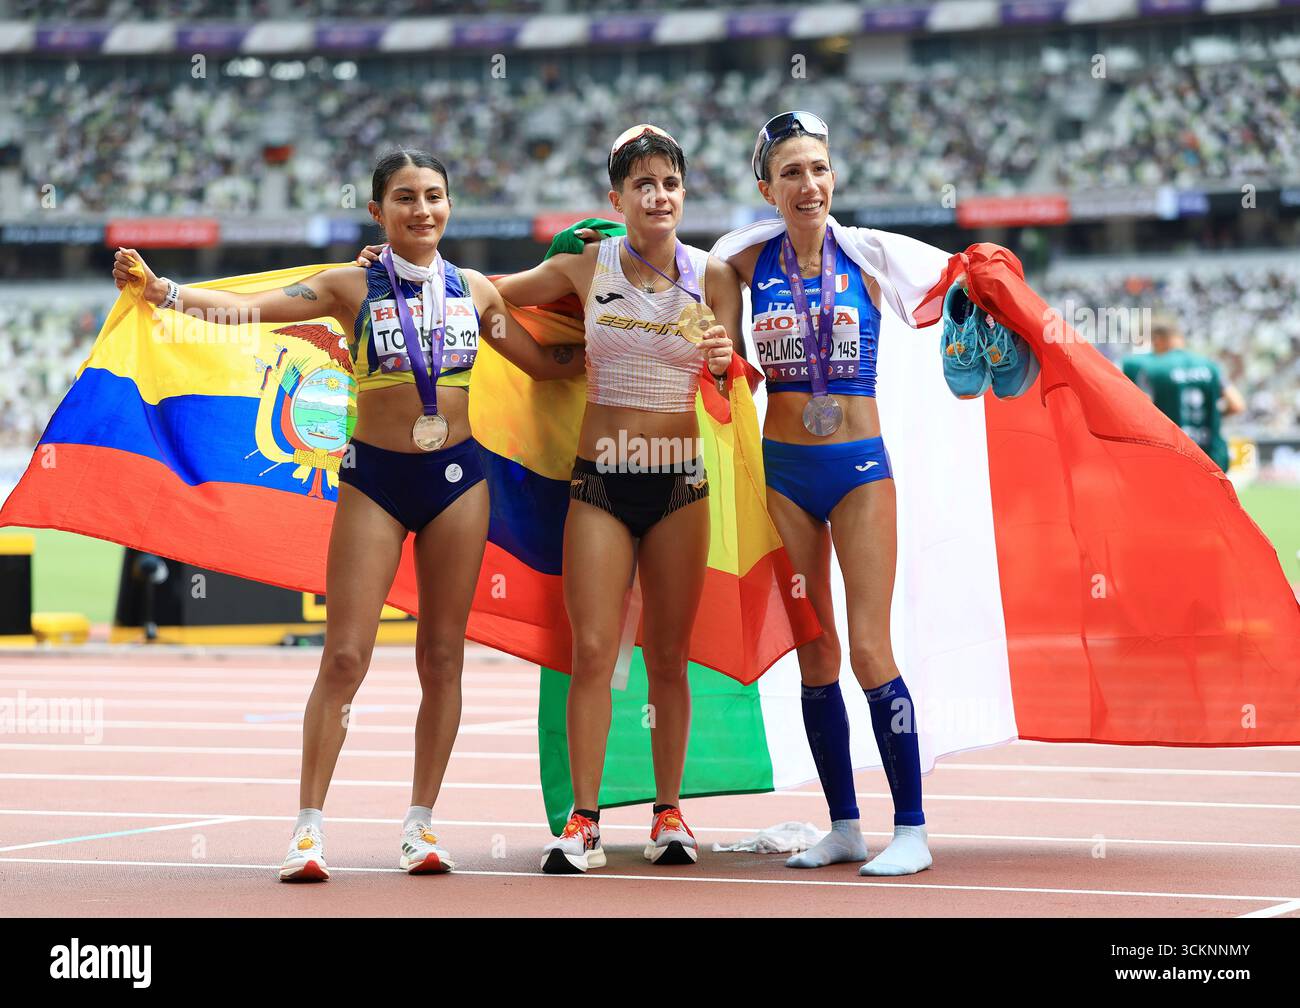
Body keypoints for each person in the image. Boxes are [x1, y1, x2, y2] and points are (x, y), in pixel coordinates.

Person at [113, 148, 585, 882]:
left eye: (433, 196)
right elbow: (249, 313)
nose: (421, 210)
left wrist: (630, 325)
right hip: (375, 481)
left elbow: (547, 367)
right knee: (344, 657)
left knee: (443, 657)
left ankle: (421, 827)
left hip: (460, 481)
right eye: (404, 198)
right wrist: (166, 292)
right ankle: (307, 830)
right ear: (378, 211)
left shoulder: (478, 292)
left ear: (449, 205)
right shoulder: (348, 284)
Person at [493, 125, 739, 873]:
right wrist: (545, 359)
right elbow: (486, 299)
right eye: (642, 184)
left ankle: (670, 814)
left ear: (683, 193)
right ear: (617, 198)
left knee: (669, 656)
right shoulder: (584, 265)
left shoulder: (713, 277)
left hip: (679, 482)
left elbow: (731, 396)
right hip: (600, 483)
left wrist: (726, 366)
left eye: (669, 182)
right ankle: (584, 821)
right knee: (592, 651)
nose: (658, 195)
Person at [713, 112, 933, 876]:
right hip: (785, 476)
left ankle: (911, 826)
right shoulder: (738, 267)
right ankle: (845, 824)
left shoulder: (874, 257)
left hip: (860, 470)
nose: (809, 185)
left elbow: (961, 288)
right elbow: (720, 365)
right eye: (792, 173)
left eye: (819, 170)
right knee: (815, 652)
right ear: (767, 188)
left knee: (870, 648)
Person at [1121, 312, 1244, 472]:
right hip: (1210, 455)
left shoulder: (1151, 368)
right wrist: (1211, 415)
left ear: (1158, 340)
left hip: (1172, 456)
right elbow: (1237, 405)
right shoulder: (1210, 366)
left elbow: (1143, 411)